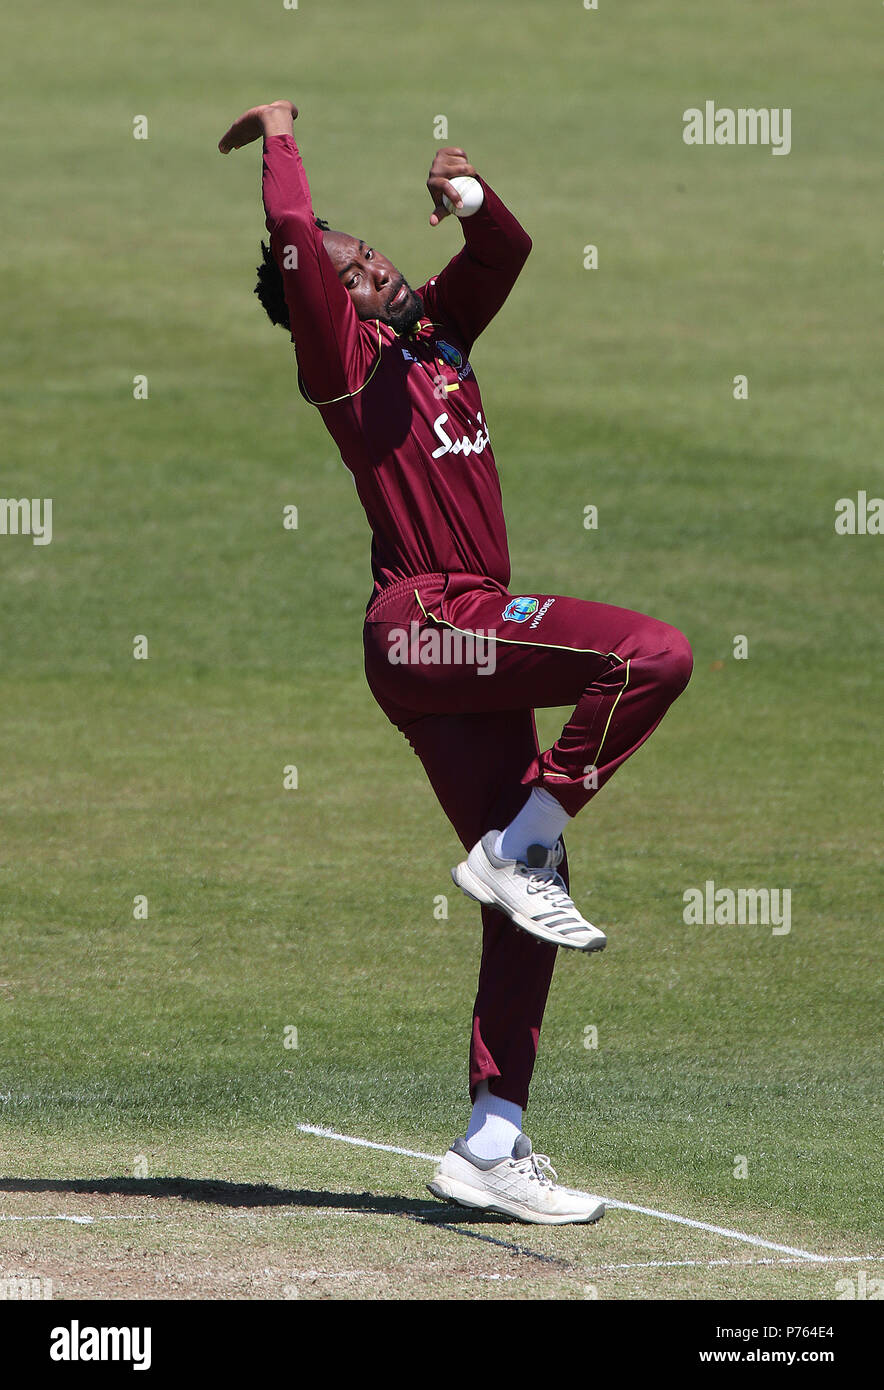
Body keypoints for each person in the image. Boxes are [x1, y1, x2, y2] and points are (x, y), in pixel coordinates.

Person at [218, 99, 693, 1224]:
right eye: (350, 267)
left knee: (527, 901)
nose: (375, 263)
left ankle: (490, 1138)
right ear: (318, 298)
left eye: (372, 250)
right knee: (650, 653)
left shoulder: (438, 334)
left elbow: (505, 252)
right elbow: (293, 232)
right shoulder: (337, 366)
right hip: (427, 624)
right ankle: (526, 837)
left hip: (453, 637)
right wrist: (281, 134)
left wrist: (472, 198)